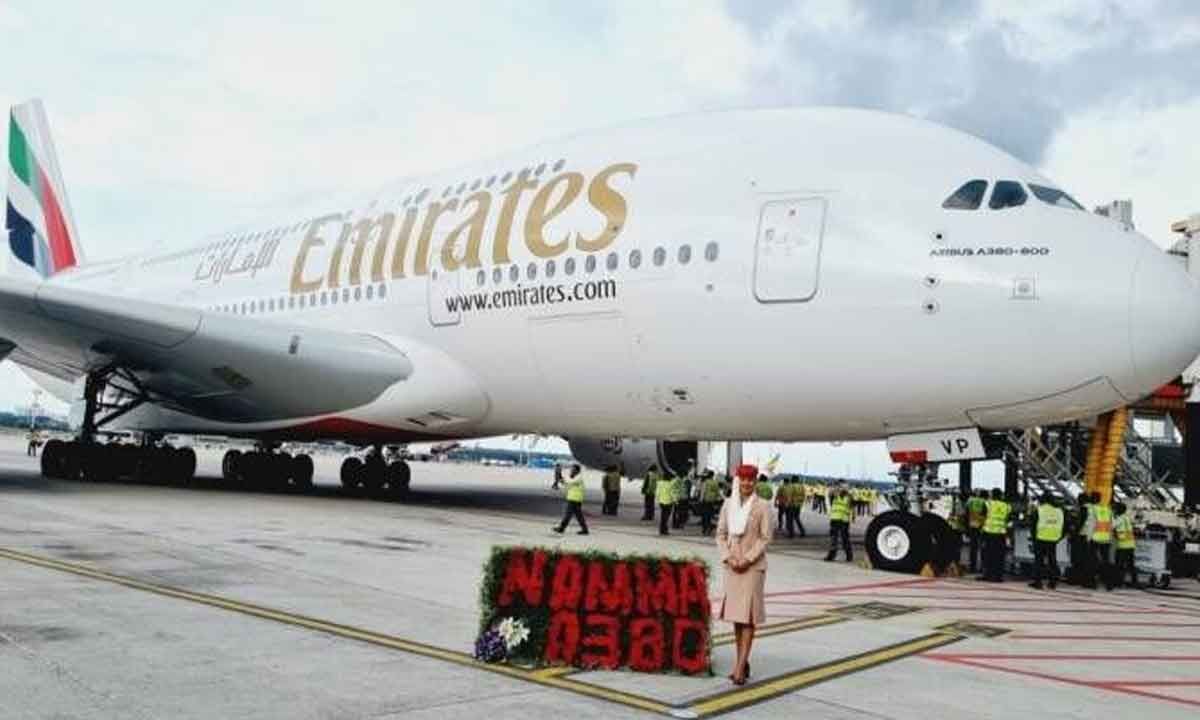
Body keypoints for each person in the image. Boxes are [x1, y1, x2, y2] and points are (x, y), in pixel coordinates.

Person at [716, 463, 772, 686]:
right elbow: (720, 534)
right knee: (737, 619)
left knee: (748, 617)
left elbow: (765, 537)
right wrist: (729, 558)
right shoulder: (728, 504)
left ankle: (739, 668)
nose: (747, 483)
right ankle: (743, 660)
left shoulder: (763, 506)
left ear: (756, 482)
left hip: (752, 567)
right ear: (737, 480)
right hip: (732, 566)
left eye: (751, 479)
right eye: (744, 479)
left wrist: (747, 559)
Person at [1028, 492, 1063, 589]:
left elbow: (1033, 525)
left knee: (1039, 560)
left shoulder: (1039, 510)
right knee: (1052, 560)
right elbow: (1064, 524)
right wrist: (1060, 536)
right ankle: (1053, 582)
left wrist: (1033, 537)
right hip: (1053, 538)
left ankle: (1038, 582)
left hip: (1041, 537)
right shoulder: (1059, 511)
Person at [979, 488, 1010, 582]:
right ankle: (998, 576)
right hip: (1001, 534)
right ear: (1001, 495)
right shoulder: (1006, 506)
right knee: (999, 556)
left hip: (988, 533)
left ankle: (988, 575)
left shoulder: (988, 504)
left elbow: (982, 516)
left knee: (987, 555)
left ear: (992, 495)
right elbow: (1008, 519)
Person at [552, 464, 589, 535]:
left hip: (574, 499)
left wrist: (562, 477)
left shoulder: (579, 478)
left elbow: (570, 482)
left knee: (568, 515)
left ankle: (561, 528)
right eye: (571, 469)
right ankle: (585, 529)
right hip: (574, 499)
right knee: (579, 516)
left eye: (573, 469)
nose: (571, 470)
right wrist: (560, 477)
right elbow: (566, 484)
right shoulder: (574, 478)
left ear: (577, 471)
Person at [1112, 501, 1139, 589]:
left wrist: (1112, 517)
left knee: (1119, 565)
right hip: (1130, 545)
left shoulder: (1120, 519)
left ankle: (1119, 582)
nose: (1114, 510)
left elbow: (1112, 526)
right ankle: (1134, 582)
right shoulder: (1127, 518)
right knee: (1131, 565)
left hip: (1122, 545)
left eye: (1115, 509)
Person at [1090, 492, 1114, 590]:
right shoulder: (1108, 510)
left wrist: (1088, 537)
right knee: (1106, 561)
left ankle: (1094, 582)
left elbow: (1091, 524)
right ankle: (1108, 583)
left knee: (1093, 561)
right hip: (1106, 539)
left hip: (1095, 538)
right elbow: (1112, 524)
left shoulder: (1093, 509)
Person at [825, 484, 853, 562]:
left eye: (844, 488)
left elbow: (851, 508)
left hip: (844, 520)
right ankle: (831, 556)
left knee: (844, 539)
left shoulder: (849, 497)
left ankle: (849, 556)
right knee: (834, 539)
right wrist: (836, 488)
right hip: (835, 519)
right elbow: (829, 492)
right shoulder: (835, 495)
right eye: (841, 487)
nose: (842, 489)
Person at [966, 489, 988, 573]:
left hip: (972, 525)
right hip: (982, 527)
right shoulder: (985, 502)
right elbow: (986, 514)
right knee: (983, 548)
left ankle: (972, 567)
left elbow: (966, 513)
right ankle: (983, 567)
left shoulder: (971, 501)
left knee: (973, 548)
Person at [699, 470, 721, 535]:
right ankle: (708, 528)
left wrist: (701, 499)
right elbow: (717, 492)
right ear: (712, 476)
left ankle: (704, 529)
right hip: (712, 501)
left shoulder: (705, 482)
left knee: (704, 515)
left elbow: (703, 492)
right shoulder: (715, 483)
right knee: (709, 515)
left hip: (705, 500)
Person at [656, 467, 675, 536]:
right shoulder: (671, 484)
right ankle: (665, 530)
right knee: (666, 517)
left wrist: (658, 499)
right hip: (669, 502)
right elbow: (672, 493)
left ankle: (661, 529)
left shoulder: (659, 483)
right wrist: (675, 500)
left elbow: (657, 492)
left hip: (661, 502)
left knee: (662, 516)